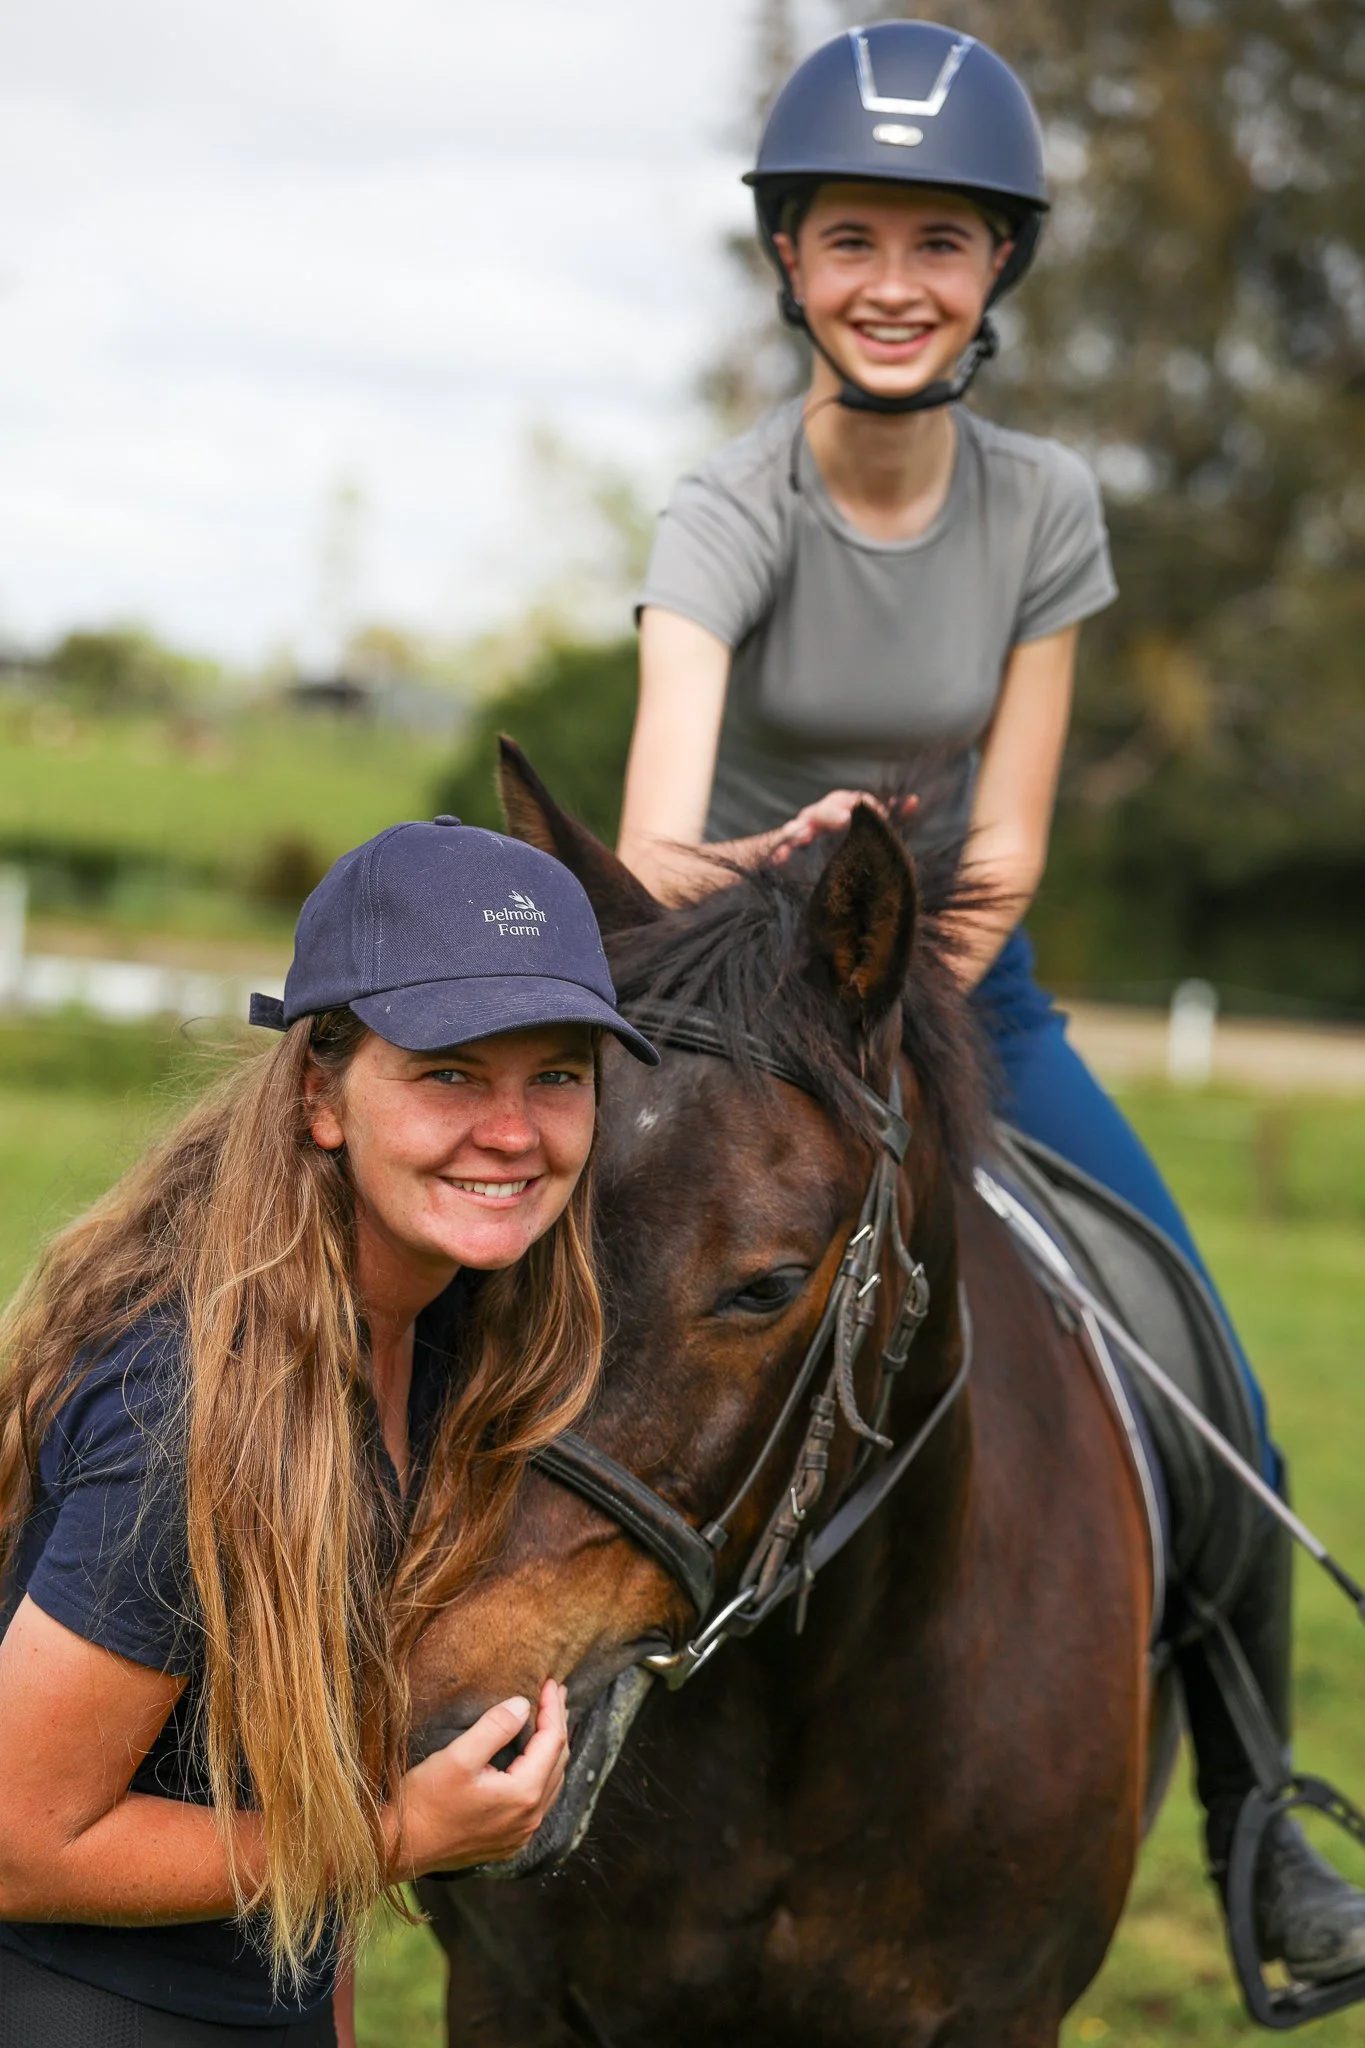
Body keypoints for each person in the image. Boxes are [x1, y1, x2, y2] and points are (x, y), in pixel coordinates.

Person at [618, 18, 1365, 1988]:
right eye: (849, 236)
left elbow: (1008, 844)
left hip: (966, 998)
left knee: (1224, 1409)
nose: (892, 281)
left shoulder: (1042, 508)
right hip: (729, 1013)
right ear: (788, 260)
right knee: (551, 1327)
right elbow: (651, 850)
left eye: (938, 243)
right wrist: (813, 882)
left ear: (997, 272)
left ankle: (1261, 1832)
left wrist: (901, 988)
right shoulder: (723, 510)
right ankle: (433, 1718)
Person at [0, 814, 657, 2044]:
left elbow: (310, 1746)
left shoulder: (453, 1334)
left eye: (557, 1073)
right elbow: (21, 1842)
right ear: (321, 1093)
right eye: (450, 1070)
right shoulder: (191, 1405)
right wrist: (401, 1834)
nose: (513, 1130)